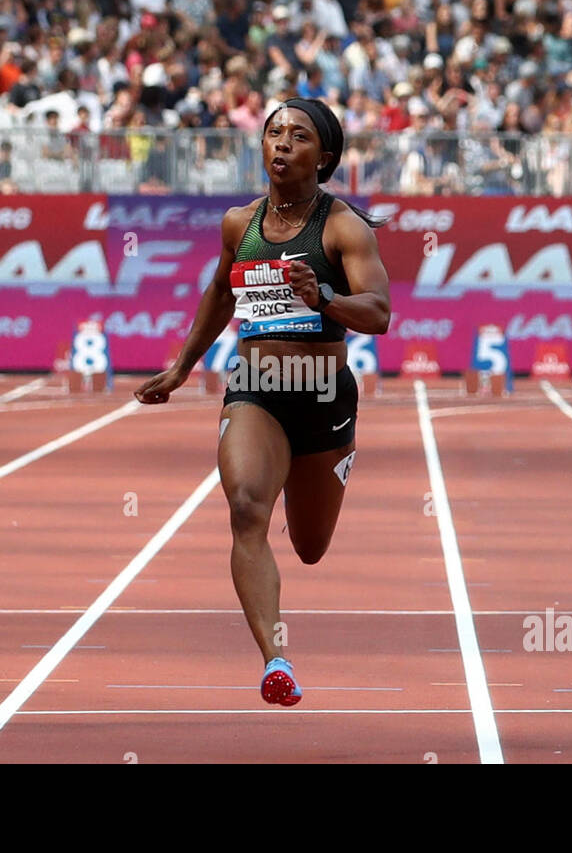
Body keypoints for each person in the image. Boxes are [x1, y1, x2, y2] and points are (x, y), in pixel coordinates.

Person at [135, 98, 390, 706]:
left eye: (297, 136)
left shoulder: (342, 227)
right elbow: (220, 295)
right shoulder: (238, 224)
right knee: (247, 507)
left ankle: (305, 501)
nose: (280, 143)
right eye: (273, 132)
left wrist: (324, 295)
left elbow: (378, 313)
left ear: (323, 157)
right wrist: (180, 366)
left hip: (324, 394)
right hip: (258, 387)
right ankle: (277, 659)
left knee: (309, 547)